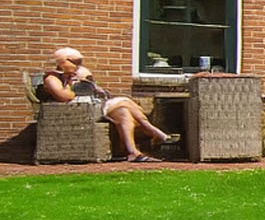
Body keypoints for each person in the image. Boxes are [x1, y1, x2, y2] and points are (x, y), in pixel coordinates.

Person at [41, 47, 171, 162]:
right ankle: (151, 129)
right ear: (63, 62)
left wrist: (88, 82)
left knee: (124, 112)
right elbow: (65, 97)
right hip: (74, 110)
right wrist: (74, 84)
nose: (78, 66)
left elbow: (94, 90)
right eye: (75, 63)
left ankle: (133, 152)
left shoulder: (75, 74)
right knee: (124, 101)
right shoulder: (52, 78)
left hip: (91, 107)